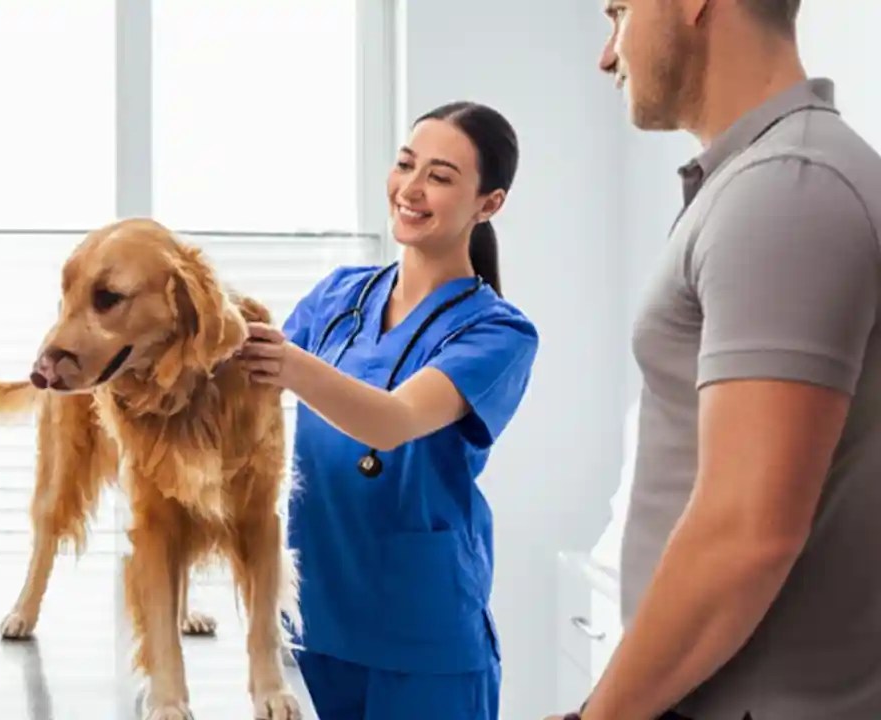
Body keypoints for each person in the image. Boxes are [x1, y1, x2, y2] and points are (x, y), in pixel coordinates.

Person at [549, 1, 881, 719]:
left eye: (620, 13)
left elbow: (745, 532)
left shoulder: (789, 187)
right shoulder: (762, 182)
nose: (608, 57)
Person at [239, 101, 539, 720]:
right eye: (406, 164)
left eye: (441, 176)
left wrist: (288, 361)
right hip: (318, 624)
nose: (411, 188)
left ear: (489, 203)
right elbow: (246, 394)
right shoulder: (340, 296)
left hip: (423, 643)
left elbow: (392, 421)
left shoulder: (497, 332)